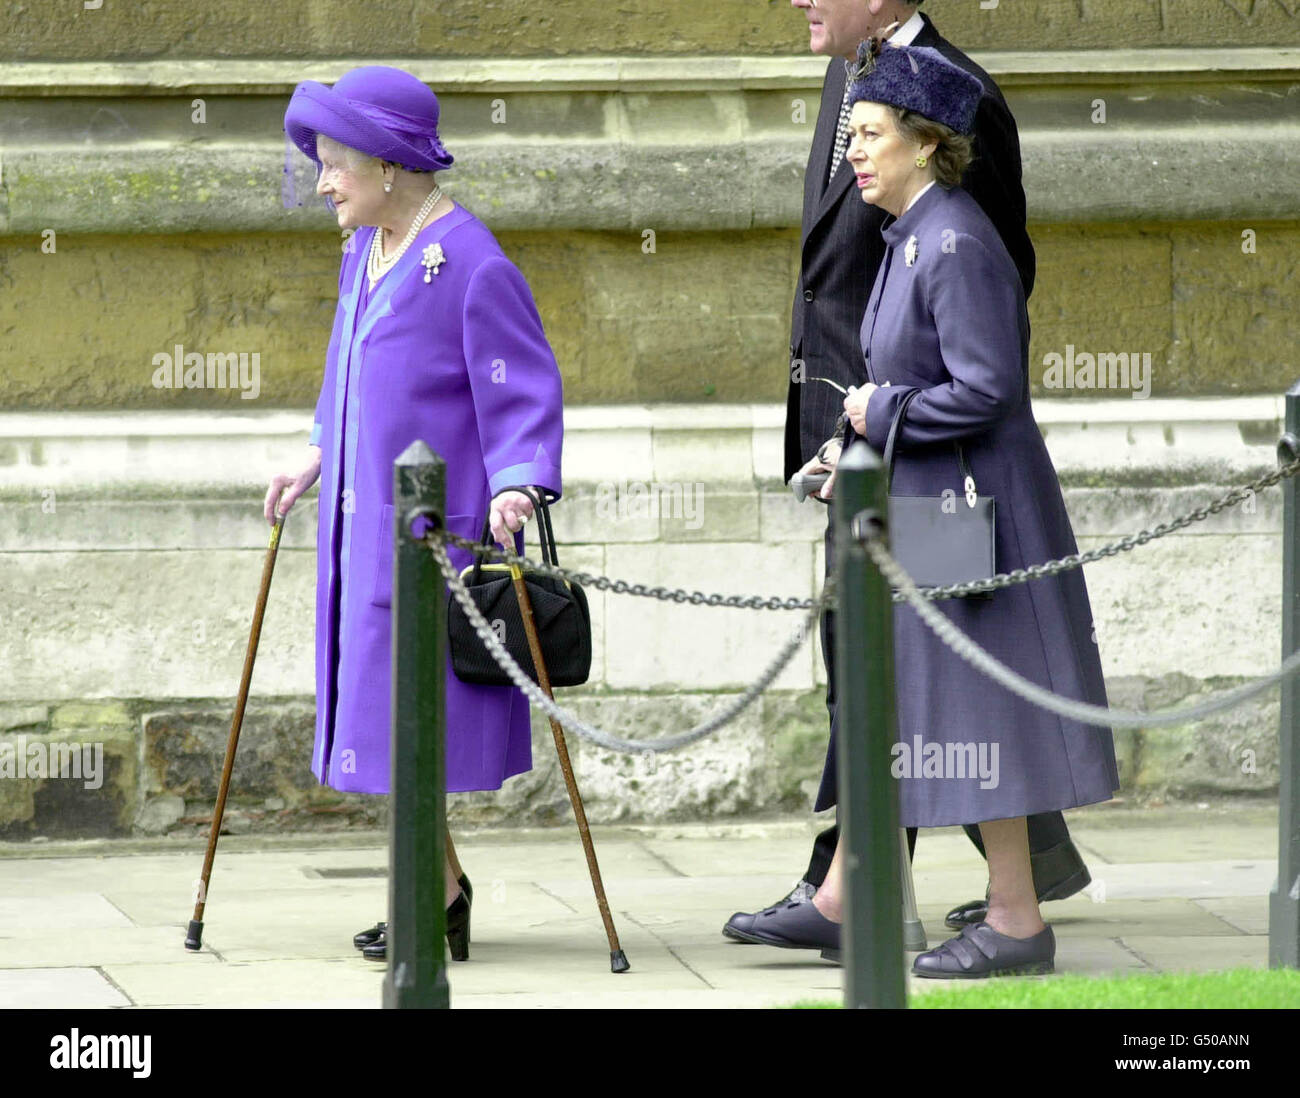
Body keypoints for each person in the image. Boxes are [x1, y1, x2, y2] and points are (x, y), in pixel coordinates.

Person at [724, 0, 1091, 952]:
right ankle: (871, 894)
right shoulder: (908, 230)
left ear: (925, 144)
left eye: (871, 137)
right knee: (907, 693)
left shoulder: (953, 237)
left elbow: (984, 379)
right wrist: (845, 447)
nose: (854, 154)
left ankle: (1009, 913)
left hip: (955, 505)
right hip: (907, 489)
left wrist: (877, 416)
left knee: (959, 705)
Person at [267, 66, 565, 963]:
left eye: (334, 167)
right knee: (385, 715)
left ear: (389, 166)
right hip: (362, 534)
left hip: (436, 538)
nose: (321, 184)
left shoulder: (469, 261)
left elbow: (520, 386)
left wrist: (521, 478)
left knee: (415, 716)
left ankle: (432, 894)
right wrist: (318, 446)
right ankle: (437, 889)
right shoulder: (367, 249)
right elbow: (344, 371)